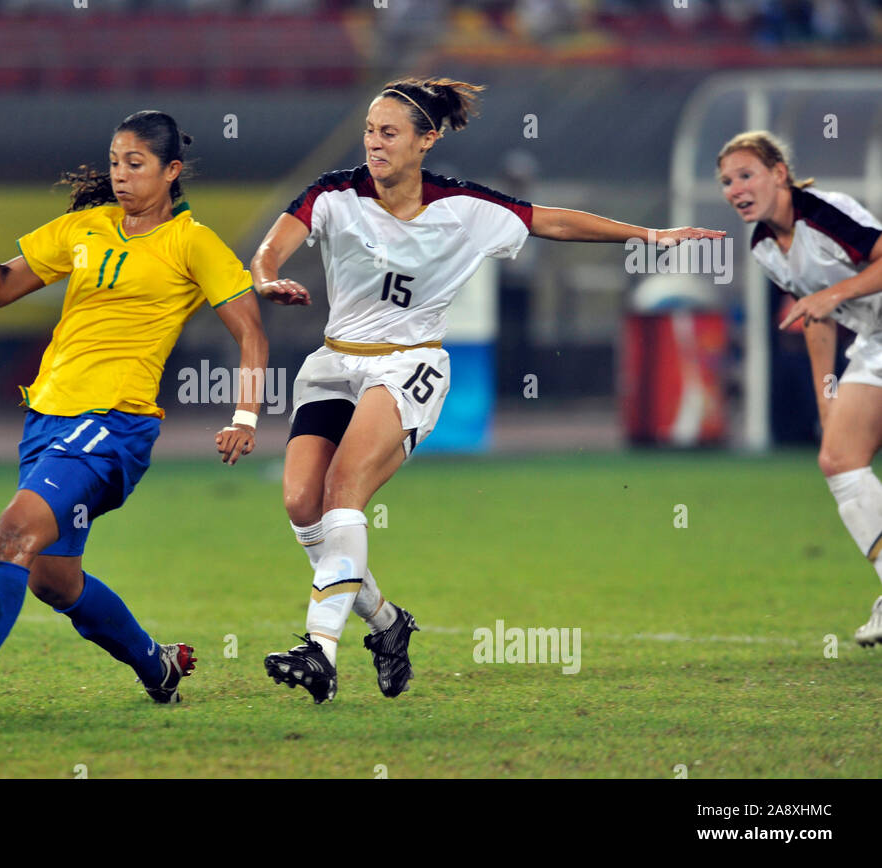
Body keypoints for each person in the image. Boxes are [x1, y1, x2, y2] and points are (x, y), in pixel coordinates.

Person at [252, 76, 724, 703]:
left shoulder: (466, 207)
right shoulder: (334, 194)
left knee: (343, 494)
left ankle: (320, 652)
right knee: (301, 504)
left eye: (389, 133)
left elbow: (553, 220)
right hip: (335, 364)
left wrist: (651, 237)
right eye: (370, 130)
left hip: (408, 365)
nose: (374, 143)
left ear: (427, 140)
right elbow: (270, 250)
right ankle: (388, 626)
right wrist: (266, 280)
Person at [0, 110, 268, 721]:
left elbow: (250, 330)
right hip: (48, 419)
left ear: (171, 171)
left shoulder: (192, 242)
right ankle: (158, 664)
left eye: (136, 164)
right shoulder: (85, 227)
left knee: (12, 534)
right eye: (116, 163)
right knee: (52, 579)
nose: (120, 176)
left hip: (114, 424)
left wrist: (246, 417)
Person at [717, 131, 882, 646]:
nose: (736, 189)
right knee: (837, 459)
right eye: (726, 181)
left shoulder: (824, 211)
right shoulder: (765, 246)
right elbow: (814, 318)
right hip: (876, 344)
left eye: (746, 175)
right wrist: (826, 398)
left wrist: (833, 294)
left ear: (779, 174)